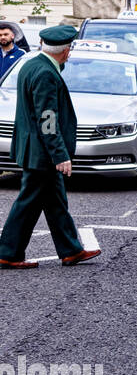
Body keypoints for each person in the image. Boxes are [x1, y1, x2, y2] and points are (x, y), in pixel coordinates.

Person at [0, 26, 101, 269]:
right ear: (66, 51)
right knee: (28, 203)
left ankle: (71, 250)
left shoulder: (31, 64)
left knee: (55, 201)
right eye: (69, 50)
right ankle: (8, 253)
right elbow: (47, 118)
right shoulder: (45, 73)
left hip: (33, 148)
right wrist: (60, 154)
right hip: (41, 152)